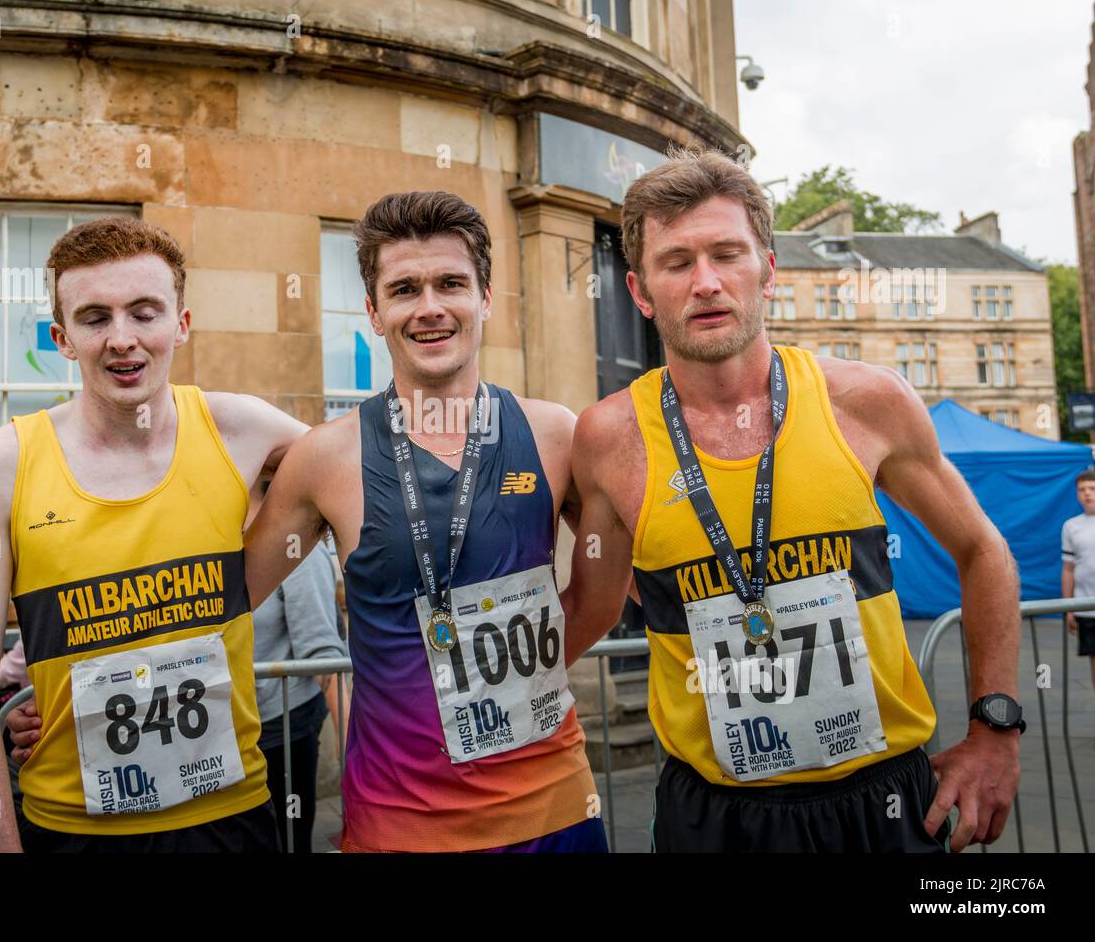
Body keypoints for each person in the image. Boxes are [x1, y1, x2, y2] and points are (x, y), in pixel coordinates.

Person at [566, 147, 1024, 852]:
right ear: (640, 290)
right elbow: (591, 607)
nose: (707, 282)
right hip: (714, 816)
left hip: (882, 803)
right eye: (677, 262)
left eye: (728, 254)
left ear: (769, 271)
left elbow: (982, 549)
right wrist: (441, 692)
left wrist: (995, 729)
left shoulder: (865, 402)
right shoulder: (608, 437)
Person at [243, 191, 610, 852]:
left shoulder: (555, 434)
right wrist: (63, 692)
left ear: (486, 298)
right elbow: (222, 599)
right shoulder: (325, 458)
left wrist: (510, 675)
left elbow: (606, 598)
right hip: (398, 825)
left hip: (553, 814)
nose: (431, 307)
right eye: (405, 289)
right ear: (374, 312)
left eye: (451, 284)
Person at [0, 217, 306, 852]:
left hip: (230, 818)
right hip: (73, 828)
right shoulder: (1, 462)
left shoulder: (242, 429)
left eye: (145, 313)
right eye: (94, 318)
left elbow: (370, 483)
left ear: (182, 323)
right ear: (61, 337)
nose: (122, 340)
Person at [248, 478, 347, 853]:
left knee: (287, 841)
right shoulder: (217, 542)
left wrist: (352, 756)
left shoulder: (296, 551)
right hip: (232, 733)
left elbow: (324, 655)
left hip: (283, 731)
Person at [1061, 470, 1095, 689]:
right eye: (1082, 490)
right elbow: (1068, 569)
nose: (1087, 494)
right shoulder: (1071, 526)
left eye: (1092, 488)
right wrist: (1069, 608)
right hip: (1086, 607)